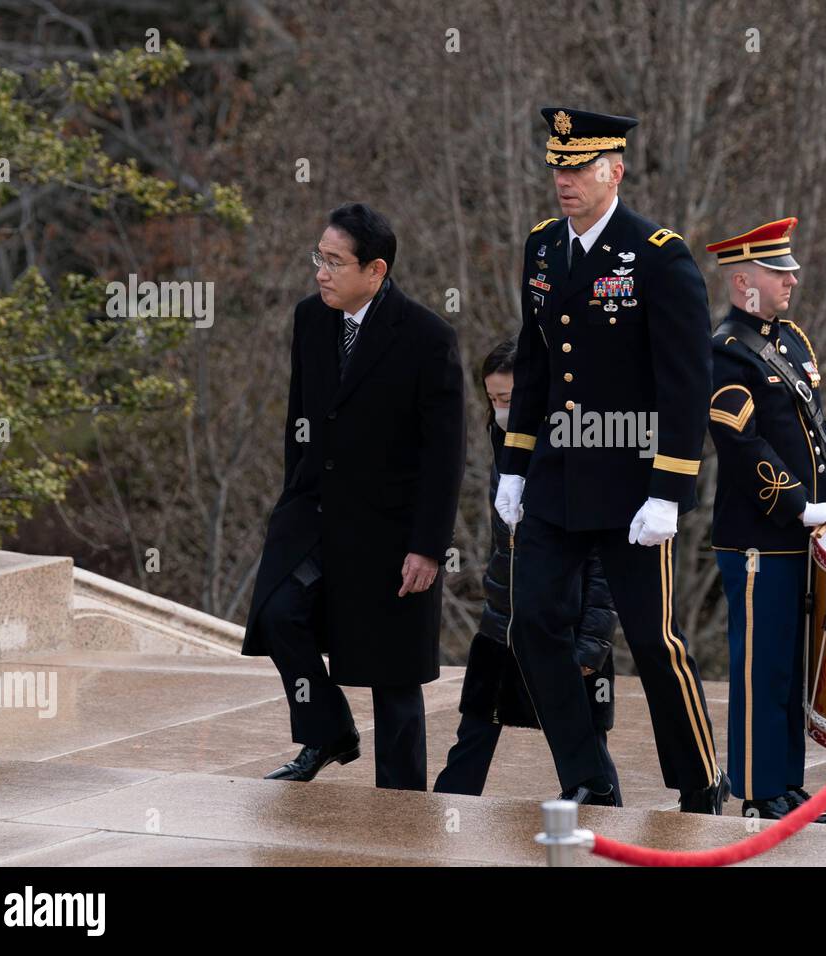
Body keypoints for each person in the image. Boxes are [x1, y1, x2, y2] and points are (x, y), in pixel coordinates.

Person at [495, 107, 728, 812]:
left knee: (653, 642)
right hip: (558, 478)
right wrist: (513, 465)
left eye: (579, 168)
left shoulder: (657, 253)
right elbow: (534, 362)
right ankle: (588, 775)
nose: (564, 182)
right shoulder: (541, 247)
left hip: (632, 486)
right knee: (531, 623)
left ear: (614, 171)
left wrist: (669, 488)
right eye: (557, 168)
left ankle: (700, 782)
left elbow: (687, 382)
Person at [241, 202, 465, 790]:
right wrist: (294, 495)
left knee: (392, 675)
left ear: (375, 270)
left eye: (335, 262)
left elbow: (445, 456)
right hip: (314, 514)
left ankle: (403, 801)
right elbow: (300, 418)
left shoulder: (427, 338)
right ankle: (328, 732)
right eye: (319, 257)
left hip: (391, 529)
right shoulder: (309, 319)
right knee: (278, 613)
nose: (320, 271)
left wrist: (428, 547)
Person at [705, 216, 826, 822]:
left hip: (803, 534)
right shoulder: (728, 351)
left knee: (790, 667)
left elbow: (815, 427)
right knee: (760, 665)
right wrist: (799, 502)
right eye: (780, 271)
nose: (792, 278)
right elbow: (742, 444)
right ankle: (756, 788)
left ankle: (786, 784)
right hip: (759, 537)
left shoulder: (790, 340)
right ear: (745, 280)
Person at [434, 339, 622, 799]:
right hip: (505, 617)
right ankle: (440, 817)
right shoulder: (502, 439)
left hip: (567, 621)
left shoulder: (579, 447)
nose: (499, 409)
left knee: (585, 744)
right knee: (475, 731)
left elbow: (602, 561)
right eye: (493, 399)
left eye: (508, 399)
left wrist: (593, 641)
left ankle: (604, 813)